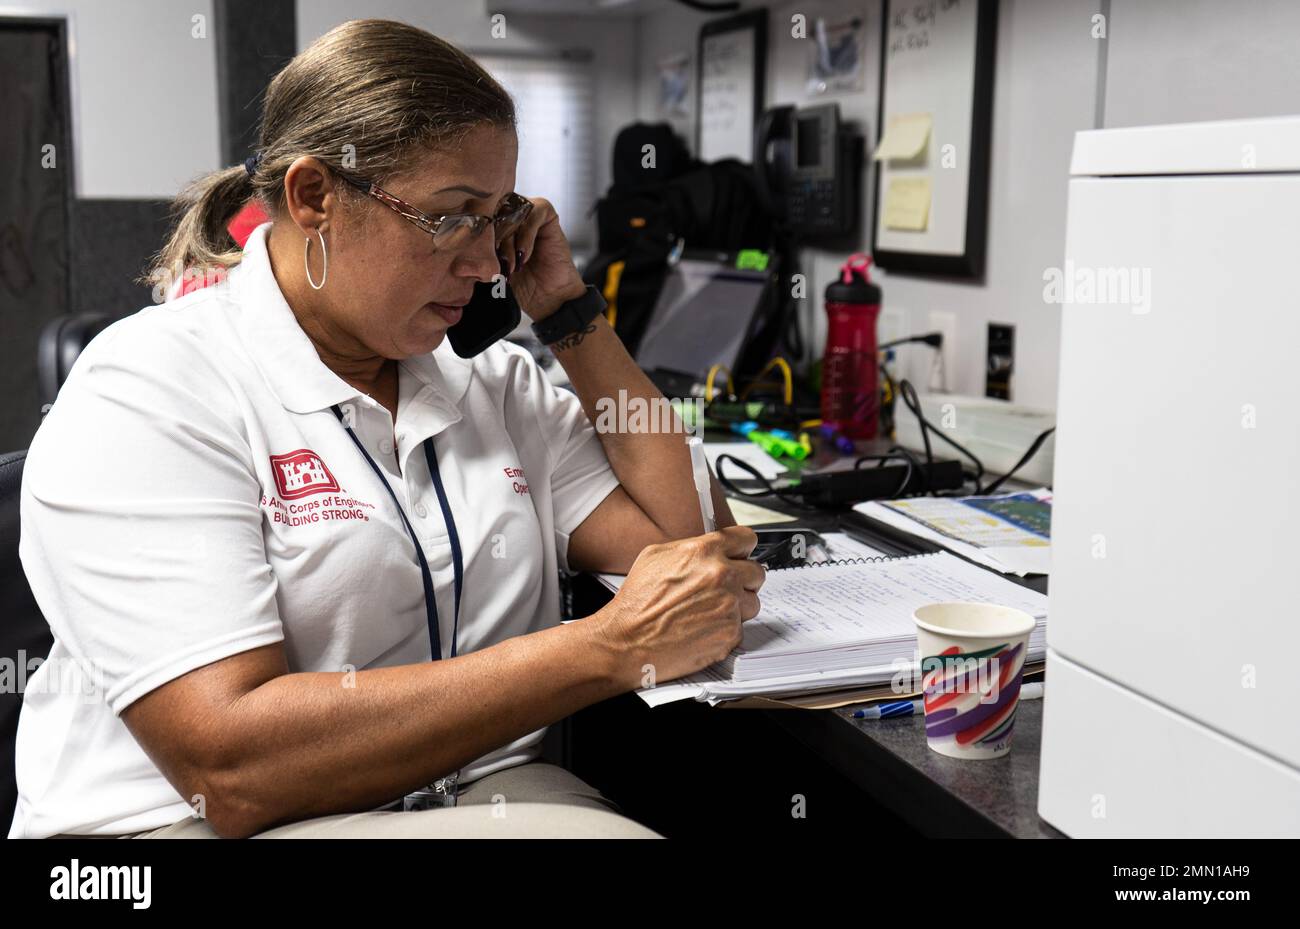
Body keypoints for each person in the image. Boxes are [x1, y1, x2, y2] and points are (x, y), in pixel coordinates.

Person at [10, 19, 765, 839]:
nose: (484, 263)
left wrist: (569, 312)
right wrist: (604, 649)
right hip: (175, 827)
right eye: (452, 217)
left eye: (499, 216)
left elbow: (690, 545)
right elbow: (229, 768)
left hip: (456, 792)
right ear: (315, 197)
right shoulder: (151, 390)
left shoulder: (494, 383)